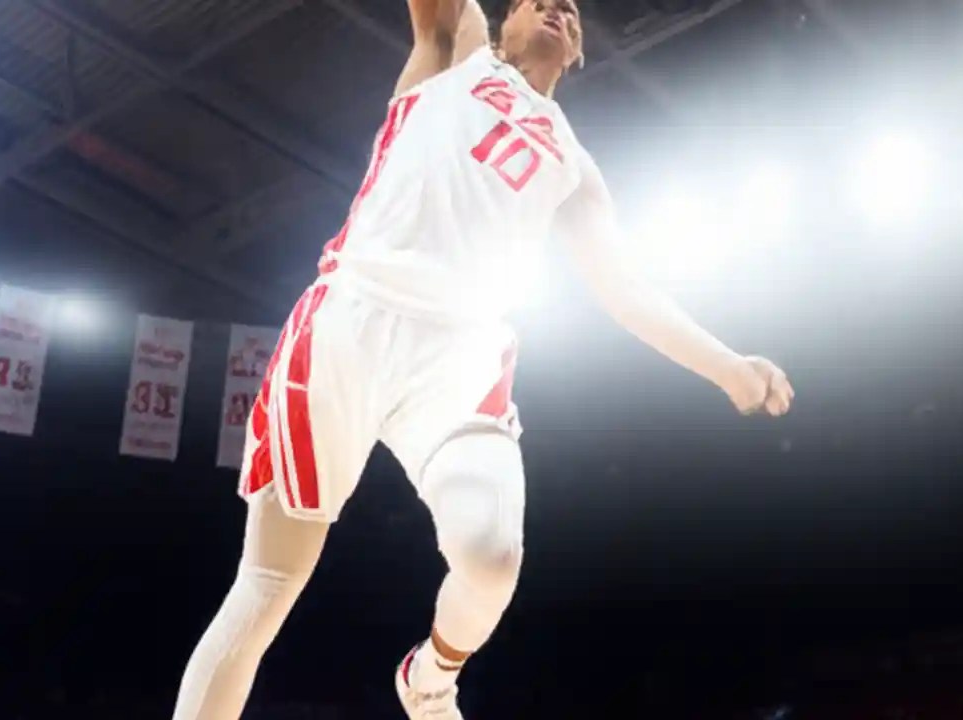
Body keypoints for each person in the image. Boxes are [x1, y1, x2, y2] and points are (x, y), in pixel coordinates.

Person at [172, 0, 795, 718]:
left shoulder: (574, 164)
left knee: (492, 556)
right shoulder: (457, 47)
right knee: (268, 585)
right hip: (351, 318)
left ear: (582, 50)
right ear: (505, 20)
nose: (559, 7)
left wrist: (729, 368)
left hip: (460, 353)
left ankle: (431, 679)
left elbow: (626, 291)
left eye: (570, 9)